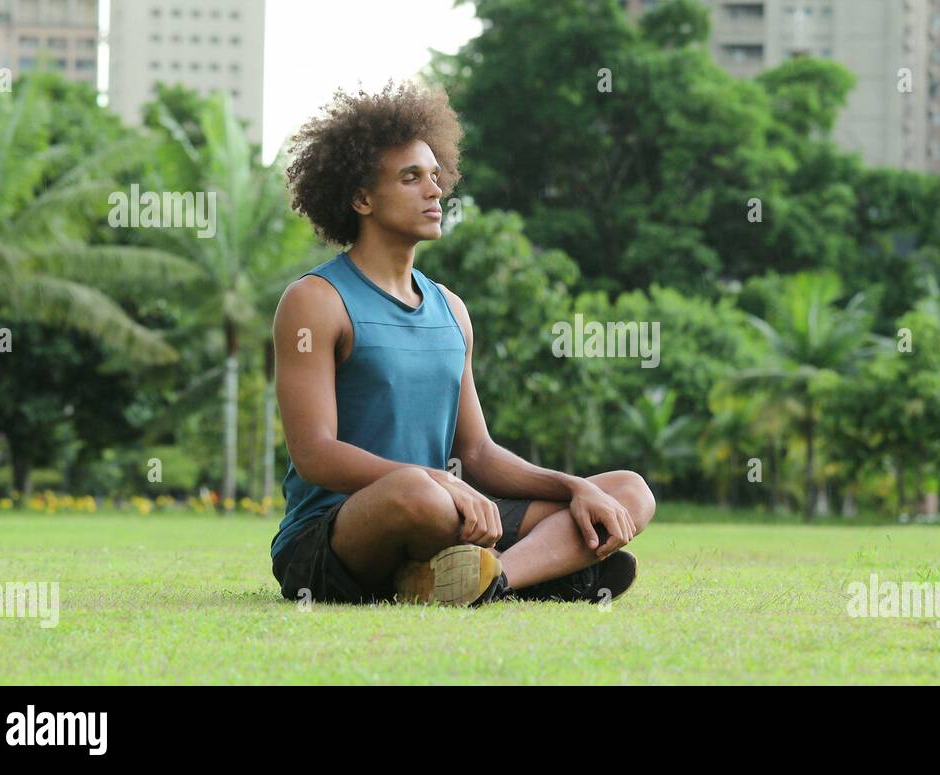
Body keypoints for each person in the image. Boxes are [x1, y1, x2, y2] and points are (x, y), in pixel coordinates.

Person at [269, 80, 655, 607]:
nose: (435, 191)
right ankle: (555, 570)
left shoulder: (450, 309)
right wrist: (437, 481)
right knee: (415, 494)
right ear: (362, 198)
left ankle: (492, 582)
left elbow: (476, 452)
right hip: (335, 536)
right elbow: (315, 453)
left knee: (627, 491)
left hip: (450, 513)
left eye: (435, 176)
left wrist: (573, 487)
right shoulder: (315, 300)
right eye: (411, 178)